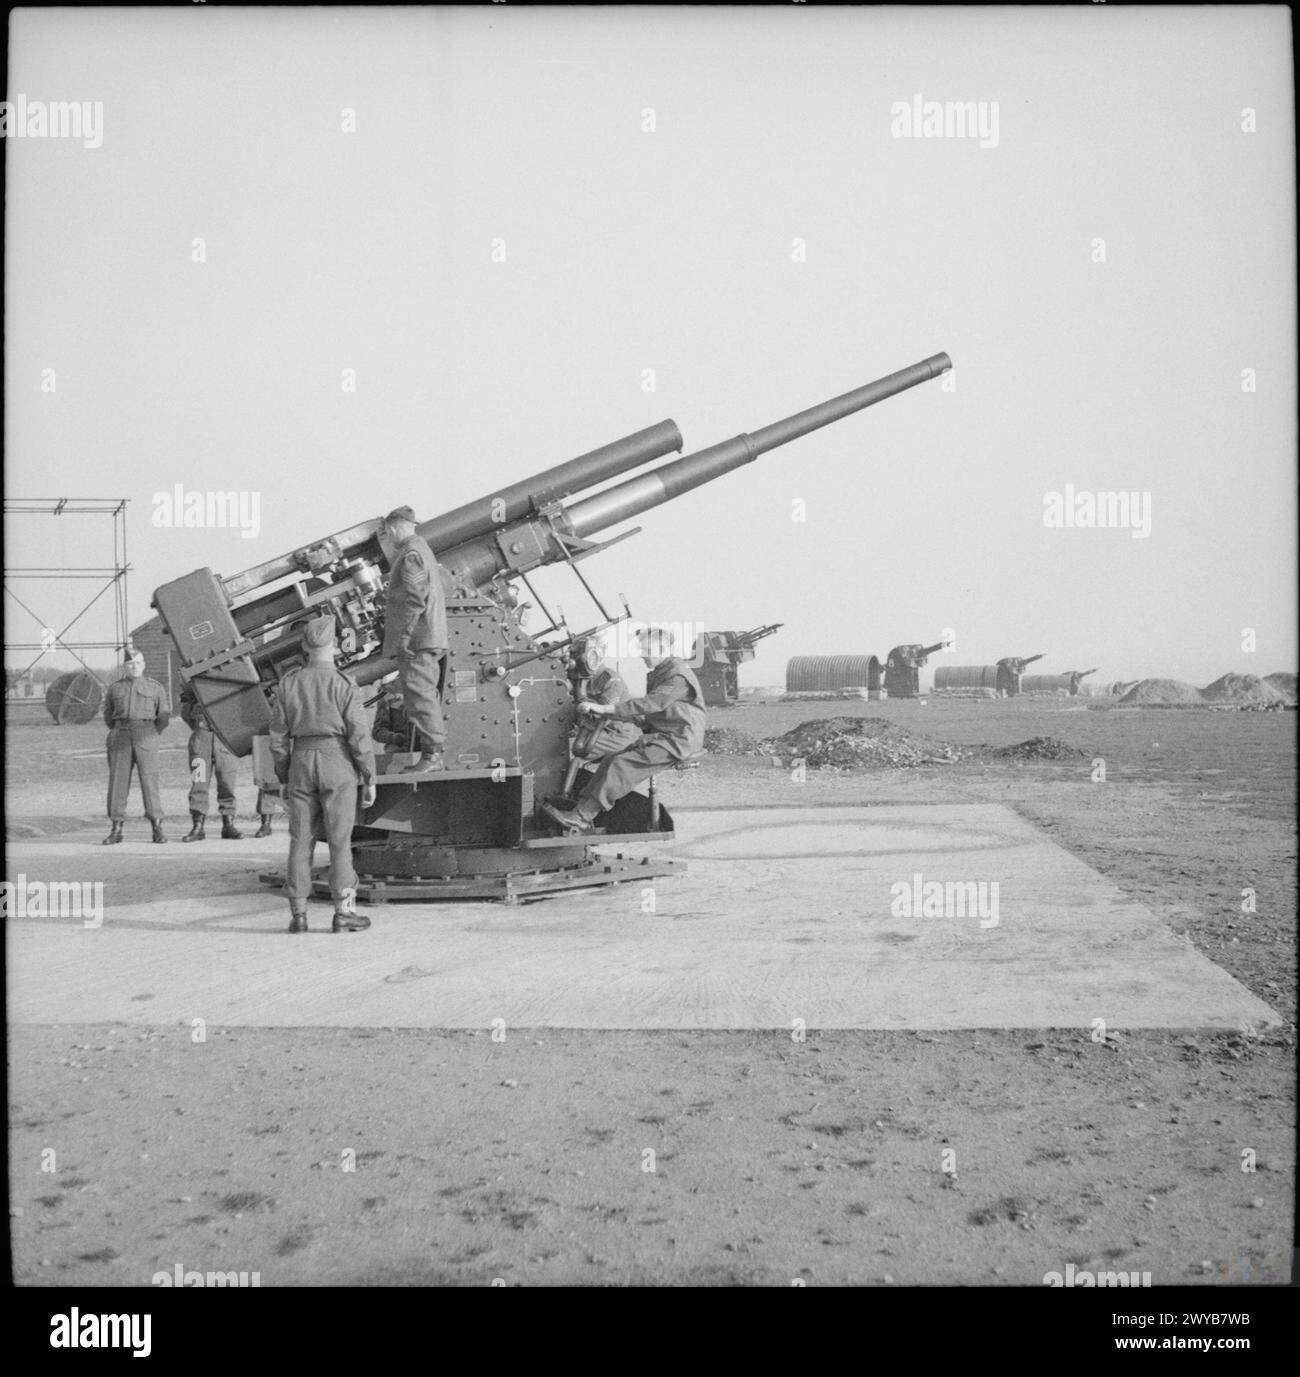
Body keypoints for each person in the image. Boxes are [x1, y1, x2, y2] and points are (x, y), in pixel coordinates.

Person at [268, 617, 377, 934]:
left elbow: (277, 738)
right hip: (337, 762)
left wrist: (285, 775)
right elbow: (358, 736)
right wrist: (369, 776)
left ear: (304, 646)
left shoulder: (289, 683)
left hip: (301, 760)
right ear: (333, 646)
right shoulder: (342, 684)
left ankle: (298, 915)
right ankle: (344, 912)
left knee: (300, 842)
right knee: (340, 843)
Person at [542, 626, 705, 834]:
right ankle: (580, 810)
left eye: (646, 650)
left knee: (620, 765)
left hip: (678, 740)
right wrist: (617, 715)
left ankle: (581, 818)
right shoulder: (662, 672)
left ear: (663, 649)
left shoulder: (677, 676)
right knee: (610, 760)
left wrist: (606, 708)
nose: (641, 655)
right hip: (662, 736)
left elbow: (650, 704)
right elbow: (652, 713)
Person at [380, 505, 450, 773]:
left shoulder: (410, 555)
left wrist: (404, 638)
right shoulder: (422, 550)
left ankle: (432, 757)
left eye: (388, 533)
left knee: (419, 695)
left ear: (394, 528)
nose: (389, 537)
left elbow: (415, 599)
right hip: (428, 638)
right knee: (424, 693)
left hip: (418, 640)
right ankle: (432, 753)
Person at [102, 649, 170, 845]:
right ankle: (116, 828)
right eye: (131, 663)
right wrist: (119, 730)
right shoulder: (115, 688)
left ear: (144, 664)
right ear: (125, 666)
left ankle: (157, 827)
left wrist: (151, 734)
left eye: (138, 663)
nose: (135, 666)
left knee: (150, 782)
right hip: (120, 734)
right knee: (118, 782)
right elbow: (108, 715)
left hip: (147, 734)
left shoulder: (155, 687)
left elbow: (163, 717)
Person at [179, 686, 243, 842]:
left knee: (227, 783)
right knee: (198, 783)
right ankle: (198, 827)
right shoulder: (193, 683)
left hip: (225, 740)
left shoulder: (231, 679)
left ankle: (228, 825)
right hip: (201, 741)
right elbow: (186, 713)